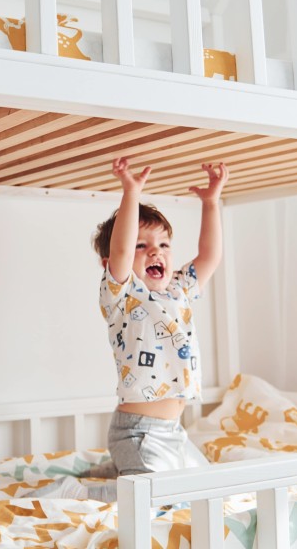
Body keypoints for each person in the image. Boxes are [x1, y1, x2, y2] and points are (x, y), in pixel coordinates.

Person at [88, 157, 230, 479]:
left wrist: (210, 203)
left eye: (164, 244)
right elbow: (121, 253)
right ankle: (77, 493)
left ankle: (112, 471)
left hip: (173, 432)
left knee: (209, 486)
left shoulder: (179, 288)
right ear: (109, 262)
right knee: (155, 498)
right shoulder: (123, 295)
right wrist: (131, 193)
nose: (157, 252)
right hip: (139, 432)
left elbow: (210, 255)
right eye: (142, 245)